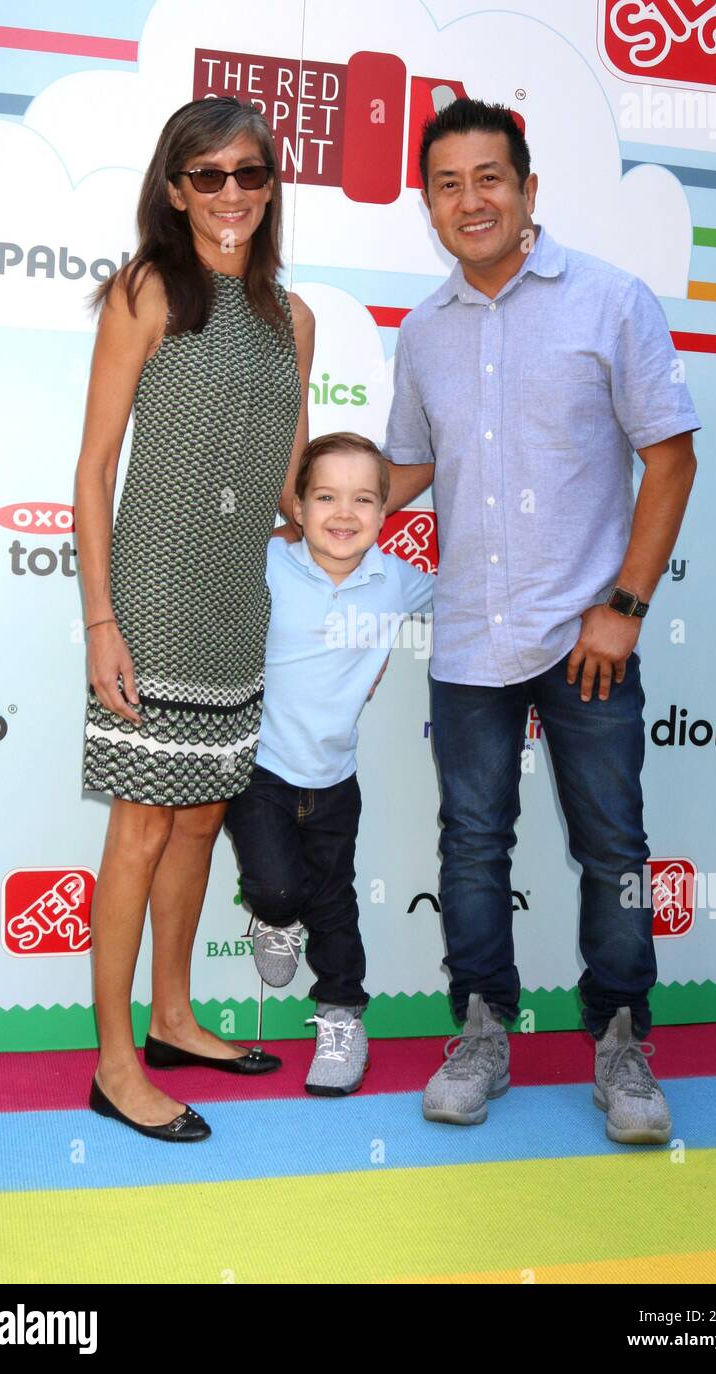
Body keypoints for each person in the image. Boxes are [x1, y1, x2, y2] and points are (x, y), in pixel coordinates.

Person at [383, 98, 701, 1140]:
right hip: (469, 637)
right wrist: (321, 503)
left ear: (525, 189)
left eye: (488, 178)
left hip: (586, 639)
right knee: (471, 845)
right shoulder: (422, 330)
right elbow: (412, 464)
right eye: (446, 183)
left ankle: (621, 1046)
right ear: (425, 201)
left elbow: (669, 455)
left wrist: (623, 606)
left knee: (612, 845)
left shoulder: (610, 300)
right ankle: (481, 1031)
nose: (468, 200)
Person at [75, 97, 315, 1142]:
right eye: (207, 175)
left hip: (235, 600)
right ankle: (116, 1062)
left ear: (271, 185)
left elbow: (292, 490)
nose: (230, 194)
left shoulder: (290, 320)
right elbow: (92, 468)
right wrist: (99, 620)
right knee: (140, 826)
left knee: (202, 818)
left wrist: (409, 474)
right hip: (155, 595)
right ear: (175, 189)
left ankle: (174, 1018)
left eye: (249, 173)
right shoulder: (147, 290)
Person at [225, 433, 434, 1096]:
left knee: (337, 904)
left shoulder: (396, 580)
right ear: (299, 504)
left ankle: (342, 1019)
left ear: (383, 511)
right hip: (259, 772)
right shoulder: (266, 563)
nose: (344, 514)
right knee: (281, 891)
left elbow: (476, 601)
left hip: (337, 781)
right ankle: (272, 914)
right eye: (326, 497)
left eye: (363, 499)